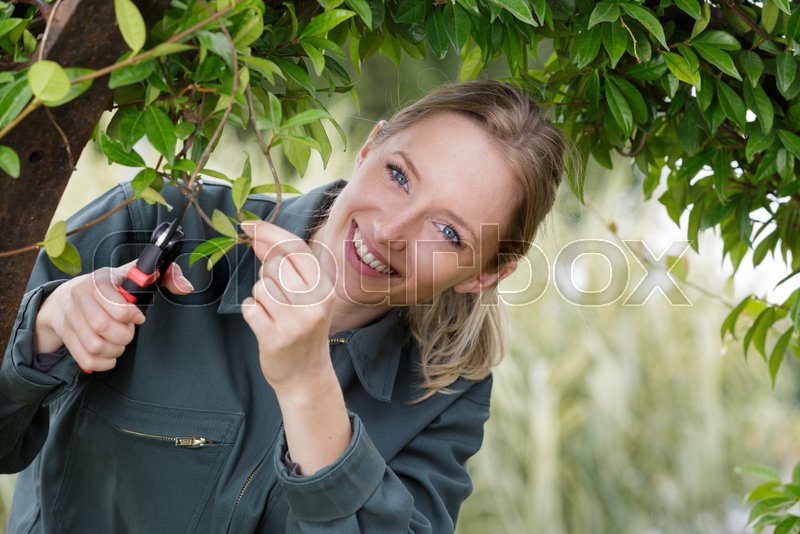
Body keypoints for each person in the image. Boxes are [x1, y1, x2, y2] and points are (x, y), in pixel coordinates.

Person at [0, 79, 565, 533]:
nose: (392, 230)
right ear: (369, 146)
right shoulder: (158, 220)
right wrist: (46, 326)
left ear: (487, 273)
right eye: (398, 175)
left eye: (446, 231)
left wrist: (307, 386)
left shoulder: (445, 392)